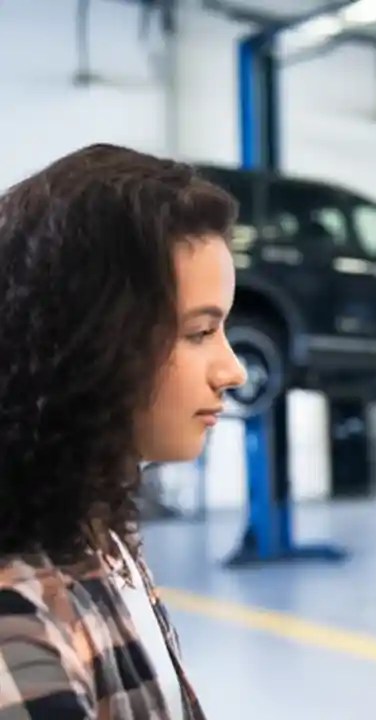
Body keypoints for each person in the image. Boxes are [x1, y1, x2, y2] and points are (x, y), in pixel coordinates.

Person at [0, 144, 247, 718]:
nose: (232, 370)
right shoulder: (19, 619)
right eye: (199, 332)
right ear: (97, 340)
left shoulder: (98, 529)